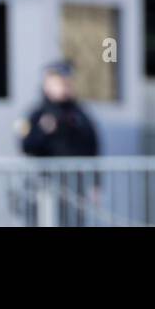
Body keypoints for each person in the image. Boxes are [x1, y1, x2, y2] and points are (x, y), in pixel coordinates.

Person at [14, 60, 100, 225]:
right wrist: (42, 131)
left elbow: (93, 148)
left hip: (75, 187)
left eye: (67, 83)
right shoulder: (36, 114)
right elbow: (25, 145)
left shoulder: (80, 115)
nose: (65, 87)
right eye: (59, 83)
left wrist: (96, 184)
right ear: (47, 85)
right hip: (45, 186)